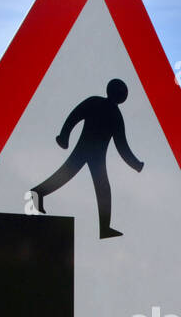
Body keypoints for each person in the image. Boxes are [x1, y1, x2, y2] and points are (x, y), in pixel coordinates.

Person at [31, 78, 144, 238]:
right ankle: (36, 193)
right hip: (88, 151)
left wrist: (135, 164)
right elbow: (75, 117)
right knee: (84, 181)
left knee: (95, 185)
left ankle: (104, 228)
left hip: (94, 155)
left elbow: (122, 145)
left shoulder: (103, 108)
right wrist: (63, 137)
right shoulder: (109, 111)